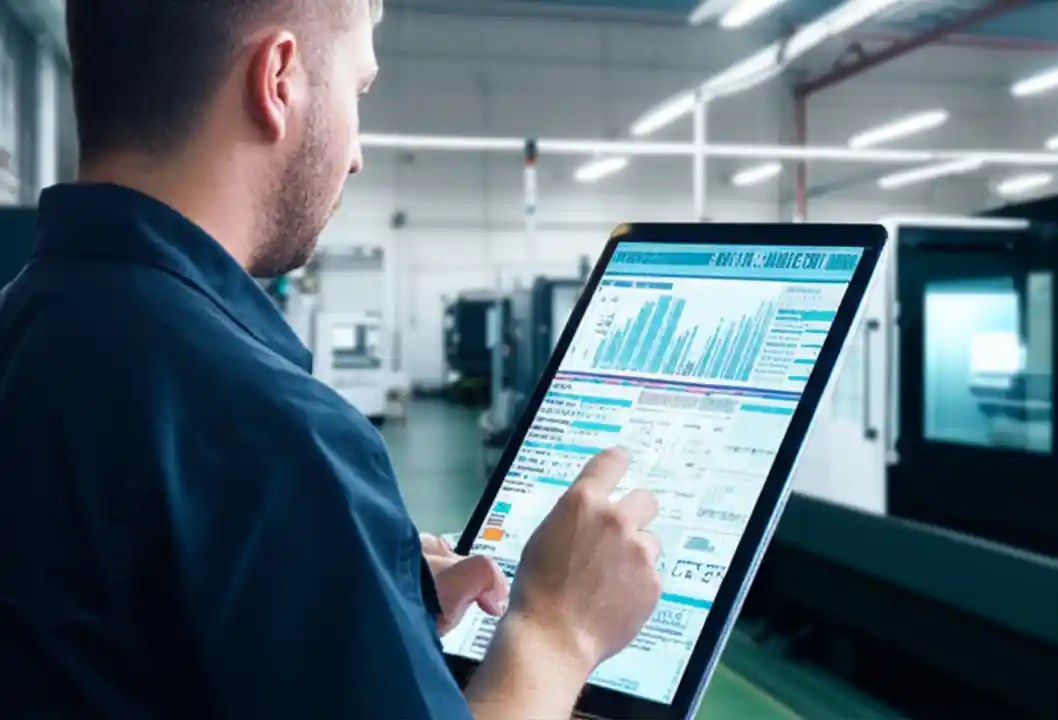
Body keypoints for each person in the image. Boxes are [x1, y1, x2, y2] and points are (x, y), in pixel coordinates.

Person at [0, 1, 662, 718]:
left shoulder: (28, 325)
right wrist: (557, 631)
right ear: (278, 79)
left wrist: (370, 608)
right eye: (360, 89)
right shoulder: (275, 435)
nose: (356, 153)